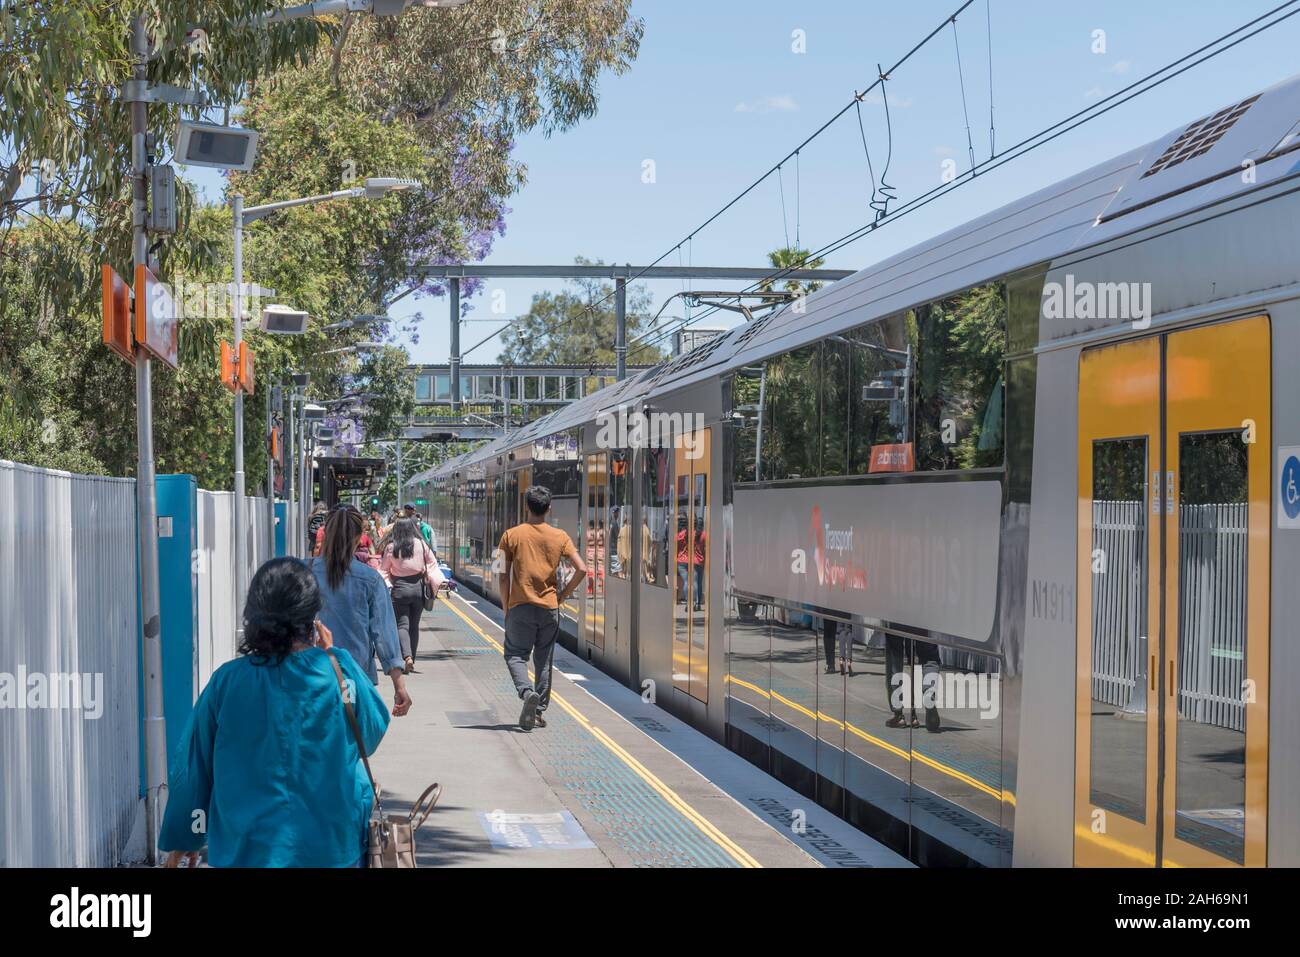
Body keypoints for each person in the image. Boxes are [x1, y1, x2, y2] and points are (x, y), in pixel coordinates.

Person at [159, 558, 390, 867]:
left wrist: (186, 836)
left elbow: (194, 766)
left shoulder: (227, 681)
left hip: (247, 851)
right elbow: (371, 734)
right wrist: (332, 654)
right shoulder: (338, 671)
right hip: (331, 849)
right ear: (312, 618)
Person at [497, 485, 587, 731]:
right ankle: (537, 712)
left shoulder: (509, 535)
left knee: (515, 655)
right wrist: (563, 595)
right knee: (544, 659)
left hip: (520, 607)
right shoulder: (561, 537)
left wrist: (506, 606)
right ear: (549, 508)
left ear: (526, 506)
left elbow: (501, 575)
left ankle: (526, 693)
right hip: (549, 608)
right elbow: (582, 569)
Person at [309, 504, 412, 717]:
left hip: (310, 675)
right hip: (353, 679)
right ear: (359, 538)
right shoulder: (370, 580)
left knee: (314, 738)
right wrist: (399, 686)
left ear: (325, 534)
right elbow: (384, 635)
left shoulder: (303, 572)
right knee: (349, 734)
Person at [380, 517, 444, 674]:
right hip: (418, 589)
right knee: (414, 626)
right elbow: (432, 564)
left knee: (402, 625)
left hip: (399, 590)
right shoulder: (421, 544)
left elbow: (383, 571)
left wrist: (388, 585)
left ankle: (406, 657)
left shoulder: (390, 547)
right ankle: (412, 659)